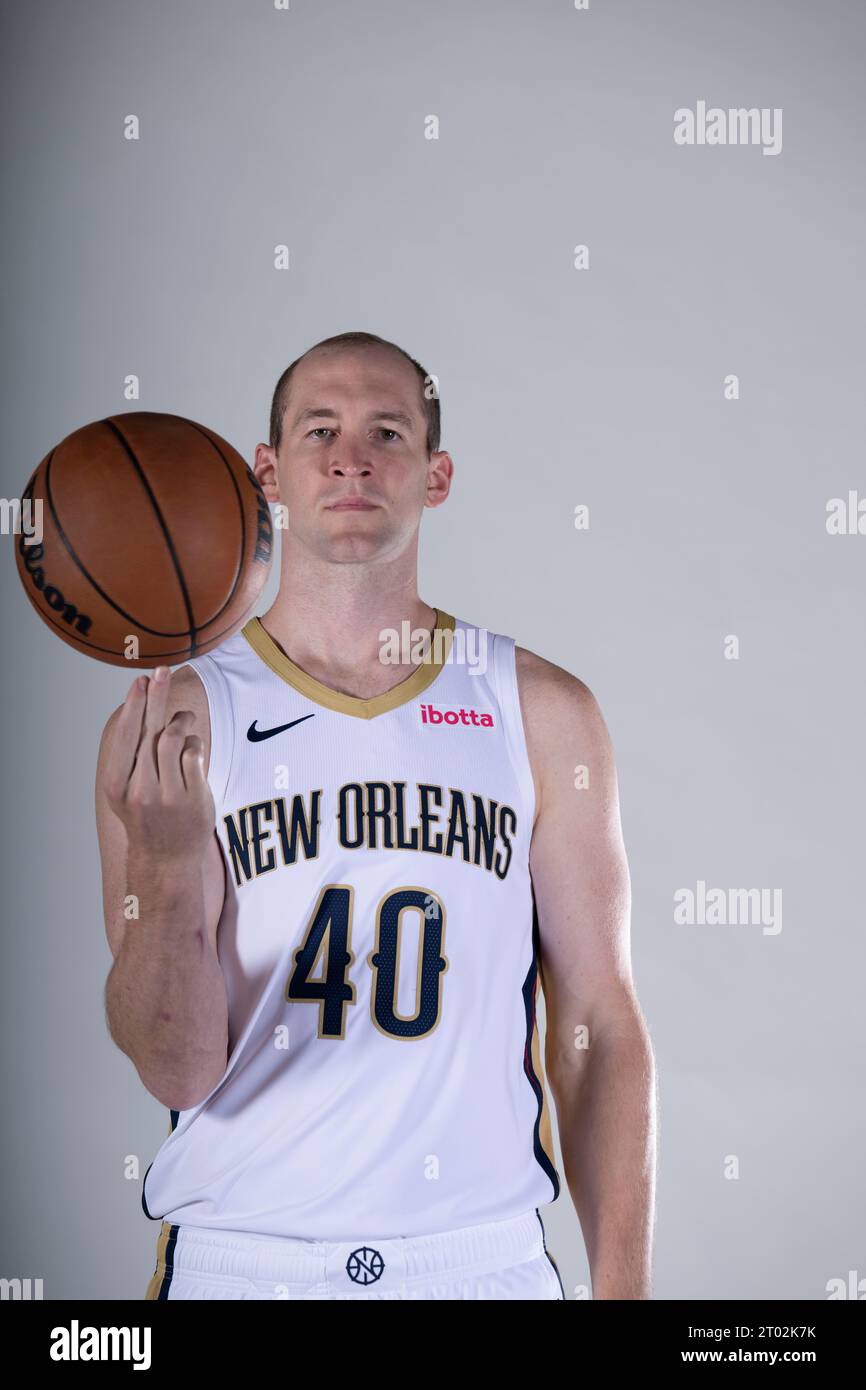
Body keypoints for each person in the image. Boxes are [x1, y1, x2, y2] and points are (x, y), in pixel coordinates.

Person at [95, 330, 656, 1301]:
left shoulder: (540, 712)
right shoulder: (175, 718)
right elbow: (176, 1069)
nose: (351, 456)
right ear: (265, 470)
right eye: (320, 430)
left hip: (478, 1259)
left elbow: (598, 1023)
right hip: (245, 1259)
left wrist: (625, 1289)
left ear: (435, 476)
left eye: (386, 432)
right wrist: (164, 856)